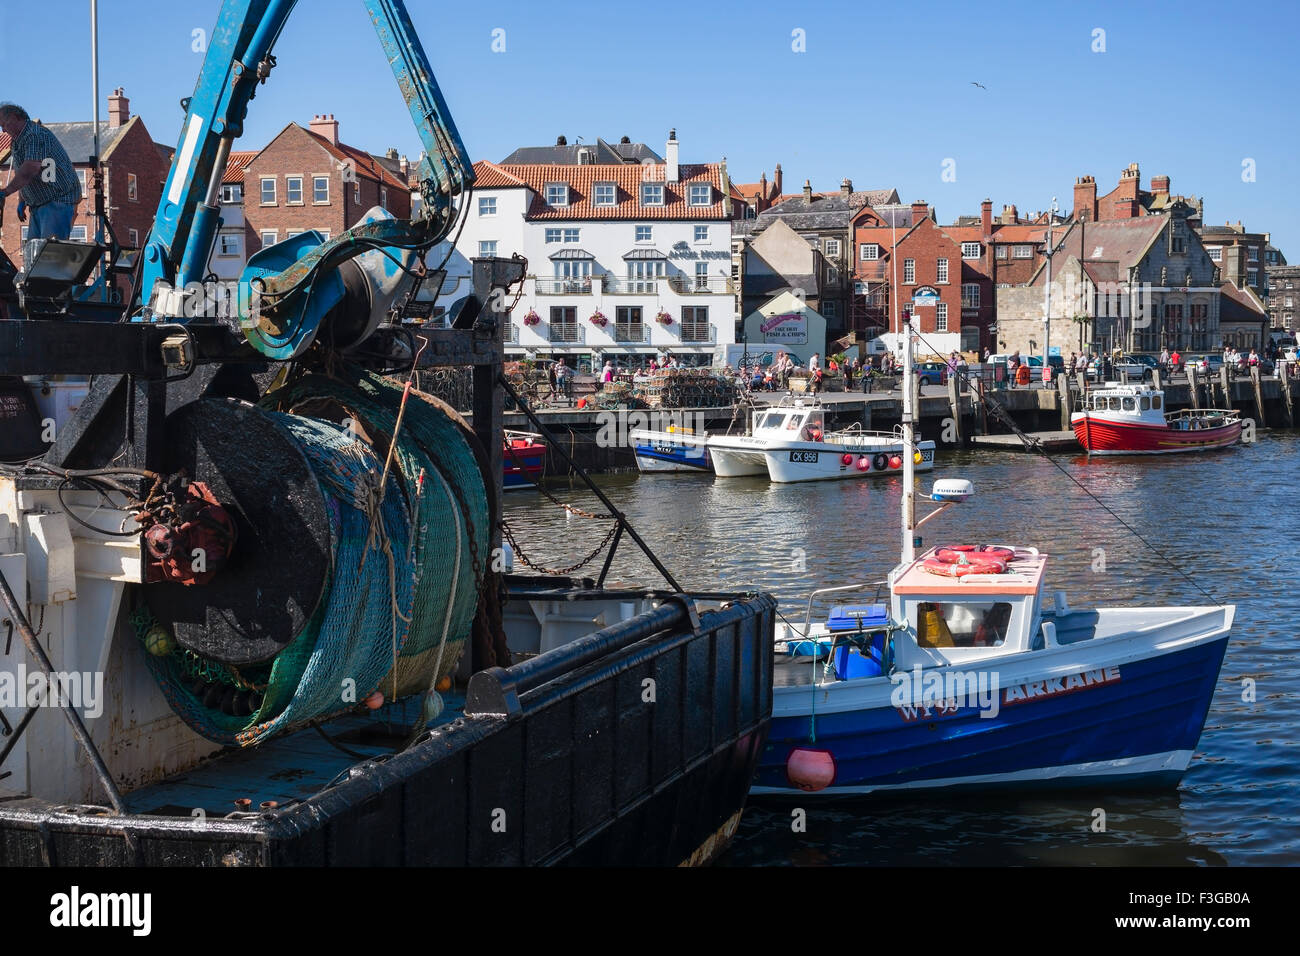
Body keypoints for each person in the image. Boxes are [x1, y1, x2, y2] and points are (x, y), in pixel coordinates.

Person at [0, 103, 82, 243]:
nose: (3, 129)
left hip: (57, 200)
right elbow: (22, 172)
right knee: (36, 253)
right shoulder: (17, 141)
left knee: (49, 254)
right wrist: (22, 199)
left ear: (14, 117)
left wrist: (6, 191)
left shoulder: (34, 135)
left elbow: (30, 169)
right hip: (40, 204)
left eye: (4, 124)